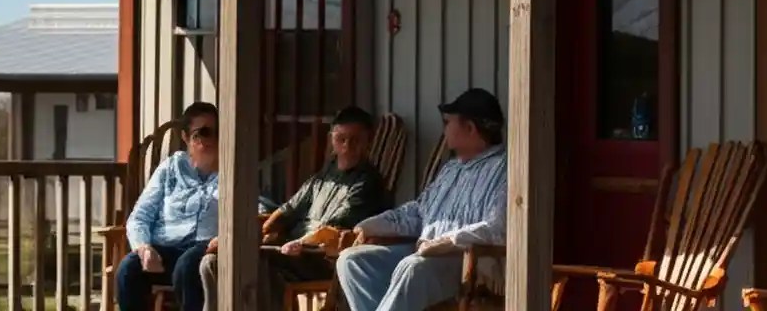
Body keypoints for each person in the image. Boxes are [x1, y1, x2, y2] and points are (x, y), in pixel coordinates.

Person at [199, 106, 390, 310]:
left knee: (256, 261)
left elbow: (332, 231)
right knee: (212, 260)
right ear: (331, 140)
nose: (347, 146)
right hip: (291, 251)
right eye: (341, 139)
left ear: (368, 142)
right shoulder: (323, 177)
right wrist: (248, 235)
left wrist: (291, 243)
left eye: (356, 140)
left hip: (322, 257)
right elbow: (287, 210)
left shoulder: (367, 182)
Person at [335, 88, 507, 311]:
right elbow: (418, 212)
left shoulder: (505, 168)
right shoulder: (451, 169)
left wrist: (443, 242)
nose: (444, 130)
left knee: (412, 267)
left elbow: (497, 229)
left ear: (470, 128)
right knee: (353, 261)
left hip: (465, 261)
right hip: (424, 252)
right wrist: (368, 226)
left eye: (448, 123)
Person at [117, 101, 219, 311]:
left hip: (206, 249)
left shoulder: (231, 173)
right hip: (165, 250)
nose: (212, 139)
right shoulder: (172, 168)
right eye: (204, 132)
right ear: (186, 137)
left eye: (217, 132)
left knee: (188, 264)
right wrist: (143, 247)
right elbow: (140, 216)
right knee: (128, 268)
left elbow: (257, 208)